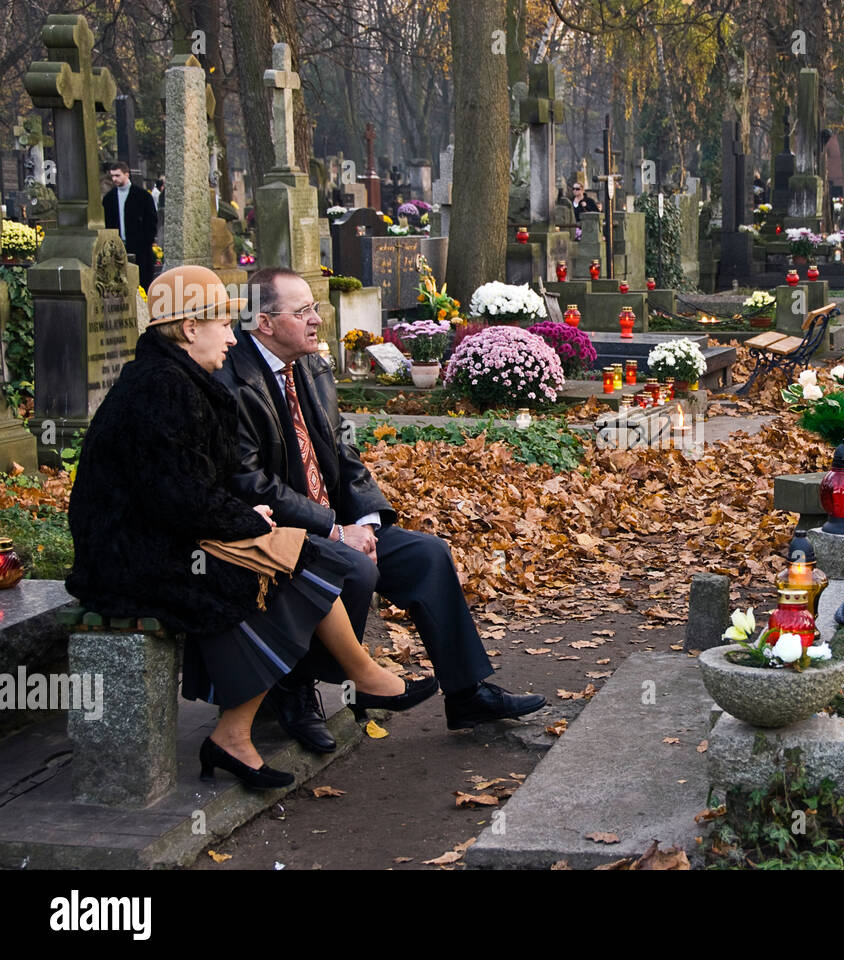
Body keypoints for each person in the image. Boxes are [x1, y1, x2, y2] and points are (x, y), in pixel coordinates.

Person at [66, 266, 439, 790]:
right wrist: (247, 519)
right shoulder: (160, 388)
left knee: (305, 559)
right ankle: (352, 683)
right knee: (281, 570)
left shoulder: (182, 379)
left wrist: (245, 518)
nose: (230, 334)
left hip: (169, 537)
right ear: (188, 328)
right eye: (222, 323)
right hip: (129, 556)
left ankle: (246, 730)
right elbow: (179, 496)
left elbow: (196, 487)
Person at [215, 268, 546, 750]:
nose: (315, 320)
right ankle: (294, 692)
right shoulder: (233, 380)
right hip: (277, 535)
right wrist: (333, 529)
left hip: (337, 523)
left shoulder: (311, 367)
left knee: (427, 555)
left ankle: (466, 692)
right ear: (264, 323)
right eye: (303, 311)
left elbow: (342, 453)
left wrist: (365, 522)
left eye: (315, 308)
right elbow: (251, 483)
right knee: (348, 569)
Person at [102, 160, 158, 290]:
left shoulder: (142, 196)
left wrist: (147, 240)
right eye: (112, 176)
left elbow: (151, 220)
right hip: (118, 247)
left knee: (142, 283)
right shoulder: (109, 198)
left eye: (118, 175)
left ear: (127, 174)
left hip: (140, 248)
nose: (114, 179)